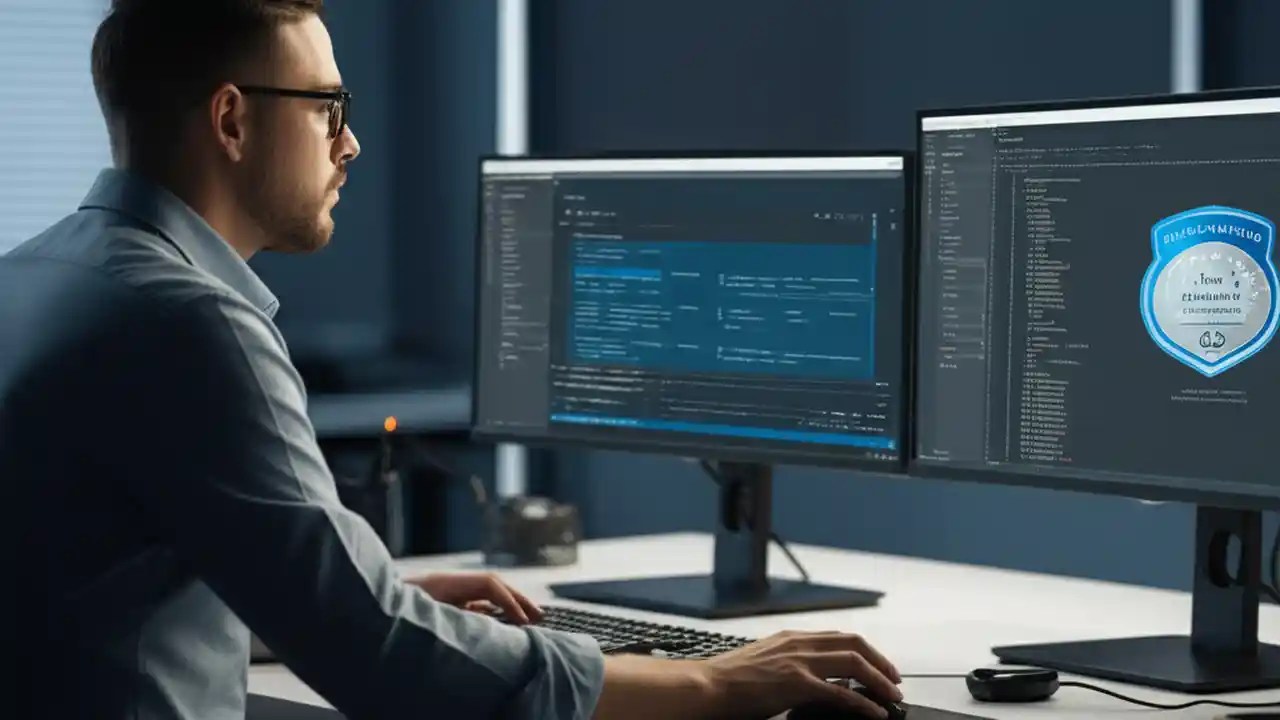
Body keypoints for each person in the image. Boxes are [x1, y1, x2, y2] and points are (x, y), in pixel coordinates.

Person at [0, 1, 904, 719]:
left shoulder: (33, 279)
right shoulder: (193, 324)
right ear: (232, 119)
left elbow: (96, 600)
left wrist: (381, 594)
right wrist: (714, 685)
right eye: (329, 109)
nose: (349, 143)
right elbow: (381, 657)